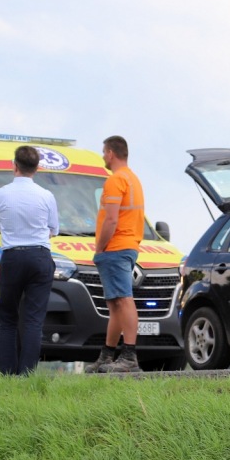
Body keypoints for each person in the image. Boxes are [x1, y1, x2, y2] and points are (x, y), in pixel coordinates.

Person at [0, 146, 60, 375]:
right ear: (37, 169)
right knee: (33, 319)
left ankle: (8, 374)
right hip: (40, 256)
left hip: (12, 256)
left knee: (8, 317)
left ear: (14, 166)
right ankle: (28, 375)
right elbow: (54, 229)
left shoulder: (0, 194)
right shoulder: (46, 196)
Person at [86, 135, 146, 373]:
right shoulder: (133, 179)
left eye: (104, 152)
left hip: (116, 247)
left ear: (111, 153)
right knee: (115, 304)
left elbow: (111, 219)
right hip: (127, 245)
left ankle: (129, 355)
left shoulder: (114, 181)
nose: (103, 156)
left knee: (123, 300)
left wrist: (100, 246)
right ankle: (107, 355)